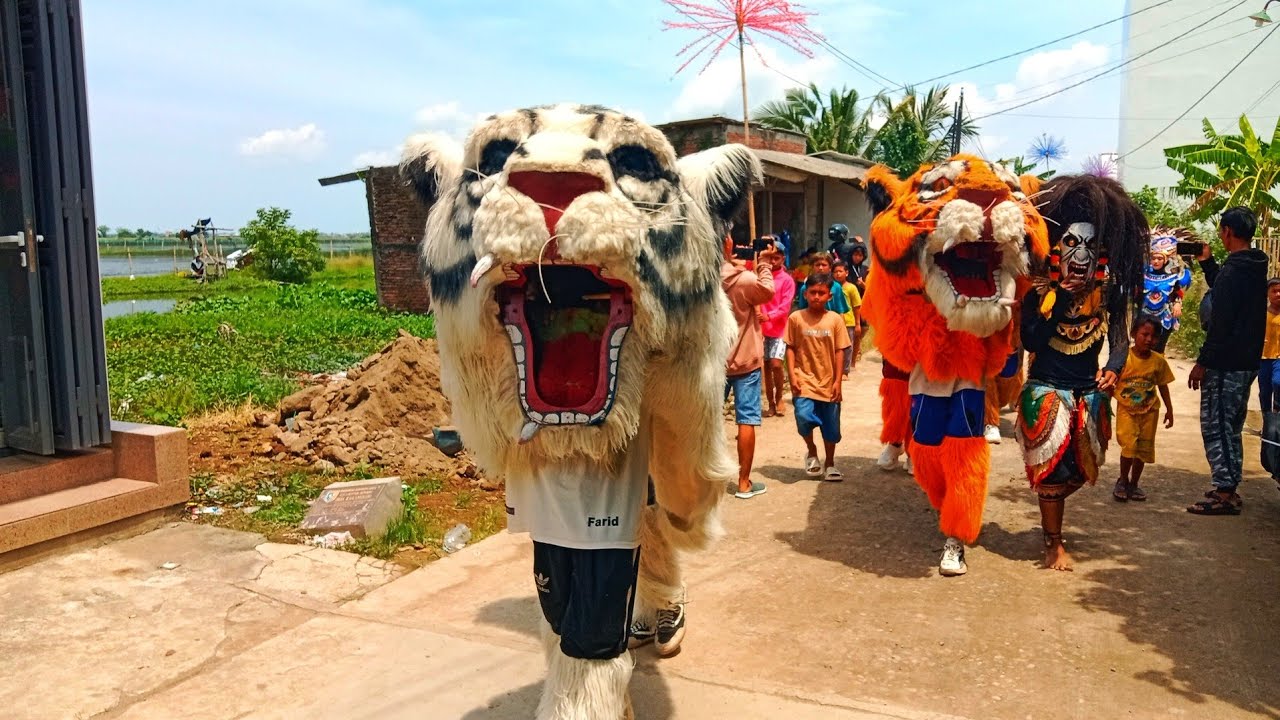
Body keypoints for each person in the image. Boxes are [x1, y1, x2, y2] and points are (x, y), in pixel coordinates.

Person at [1016, 174, 1148, 571]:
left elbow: (1121, 339)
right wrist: (1060, 301)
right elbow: (1032, 343)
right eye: (1072, 243)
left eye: (1090, 245)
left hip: (1089, 394)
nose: (1081, 255)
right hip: (1047, 391)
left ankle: (1049, 503)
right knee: (1054, 472)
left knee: (1081, 471)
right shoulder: (1037, 294)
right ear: (1057, 248)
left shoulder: (1107, 295)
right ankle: (1053, 542)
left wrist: (1113, 367)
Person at [1187, 206, 1268, 516]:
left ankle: (1223, 492)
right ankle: (1228, 485)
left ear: (1227, 232)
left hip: (1225, 362)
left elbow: (1221, 321)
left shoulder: (1236, 271)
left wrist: (1203, 361)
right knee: (1231, 426)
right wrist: (1208, 263)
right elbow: (1224, 288)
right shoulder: (1253, 266)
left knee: (1217, 425)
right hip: (1246, 361)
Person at [722, 238, 775, 500]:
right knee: (746, 419)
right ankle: (743, 483)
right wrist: (763, 262)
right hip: (745, 361)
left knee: (707, 421)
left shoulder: (705, 279)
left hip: (714, 362)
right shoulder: (744, 280)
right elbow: (768, 291)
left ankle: (702, 480)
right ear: (726, 245)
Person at [785, 273, 850, 480]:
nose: (816, 297)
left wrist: (838, 381)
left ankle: (830, 463)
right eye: (812, 292)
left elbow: (840, 350)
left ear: (829, 296)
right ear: (805, 293)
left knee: (831, 429)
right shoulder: (796, 318)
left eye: (821, 293)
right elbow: (790, 347)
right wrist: (792, 375)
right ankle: (811, 451)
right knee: (803, 418)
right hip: (803, 381)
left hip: (828, 382)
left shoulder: (835, 320)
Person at [1112, 317, 1176, 502]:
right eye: (1144, 334)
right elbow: (1111, 382)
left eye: (1154, 336)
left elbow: (1163, 386)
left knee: (1143, 449)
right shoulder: (1123, 358)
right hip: (1127, 411)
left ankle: (1134, 483)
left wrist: (1169, 410)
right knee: (1129, 446)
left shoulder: (1158, 361)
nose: (1149, 339)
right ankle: (1122, 480)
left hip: (1150, 412)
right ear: (1134, 334)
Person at [1139, 231, 1194, 354]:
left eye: (1159, 259)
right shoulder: (1143, 273)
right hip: (1144, 315)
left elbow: (1178, 292)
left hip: (1164, 317)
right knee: (1141, 349)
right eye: (1153, 258)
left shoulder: (1174, 276)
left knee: (1157, 350)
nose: (1156, 261)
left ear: (1165, 260)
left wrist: (1178, 303)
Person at [759, 239, 796, 417]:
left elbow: (785, 306)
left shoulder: (787, 280)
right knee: (766, 366)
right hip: (760, 329)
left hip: (779, 329)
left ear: (783, 259)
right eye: (771, 258)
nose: (773, 261)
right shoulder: (759, 275)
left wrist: (769, 316)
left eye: (777, 258)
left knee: (776, 364)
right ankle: (771, 403)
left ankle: (780, 396)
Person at [831, 261, 862, 377]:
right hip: (834, 321)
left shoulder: (851, 288)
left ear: (847, 273)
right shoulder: (831, 287)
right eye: (835, 272)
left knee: (848, 347)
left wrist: (858, 324)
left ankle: (845, 371)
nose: (838, 274)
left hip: (849, 322)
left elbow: (857, 306)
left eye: (840, 271)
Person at [1258, 279, 1280, 413]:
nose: (1278, 294)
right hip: (1264, 357)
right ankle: (1267, 422)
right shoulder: (1261, 314)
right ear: (1267, 294)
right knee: (1265, 391)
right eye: (1274, 291)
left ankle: (1277, 413)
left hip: (1279, 358)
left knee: (1278, 383)